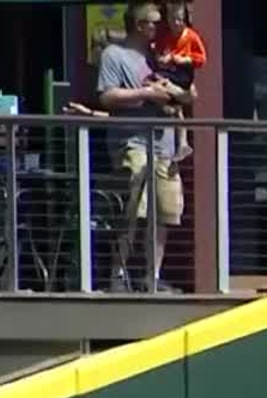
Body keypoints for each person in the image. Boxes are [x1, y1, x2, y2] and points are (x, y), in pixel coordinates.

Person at [97, 0, 191, 293]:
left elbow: (186, 98)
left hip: (165, 146)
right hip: (133, 142)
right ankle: (118, 275)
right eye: (153, 21)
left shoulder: (161, 56)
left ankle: (152, 277)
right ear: (139, 25)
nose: (159, 26)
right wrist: (147, 93)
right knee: (133, 211)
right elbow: (107, 97)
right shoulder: (114, 55)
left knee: (165, 212)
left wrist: (178, 94)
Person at [152, 0, 206, 162]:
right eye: (173, 19)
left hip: (182, 73)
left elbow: (201, 59)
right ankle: (182, 142)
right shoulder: (166, 37)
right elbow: (160, 53)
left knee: (162, 85)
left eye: (179, 19)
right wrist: (161, 58)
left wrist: (181, 59)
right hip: (169, 70)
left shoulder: (191, 37)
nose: (176, 23)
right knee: (176, 107)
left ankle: (172, 102)